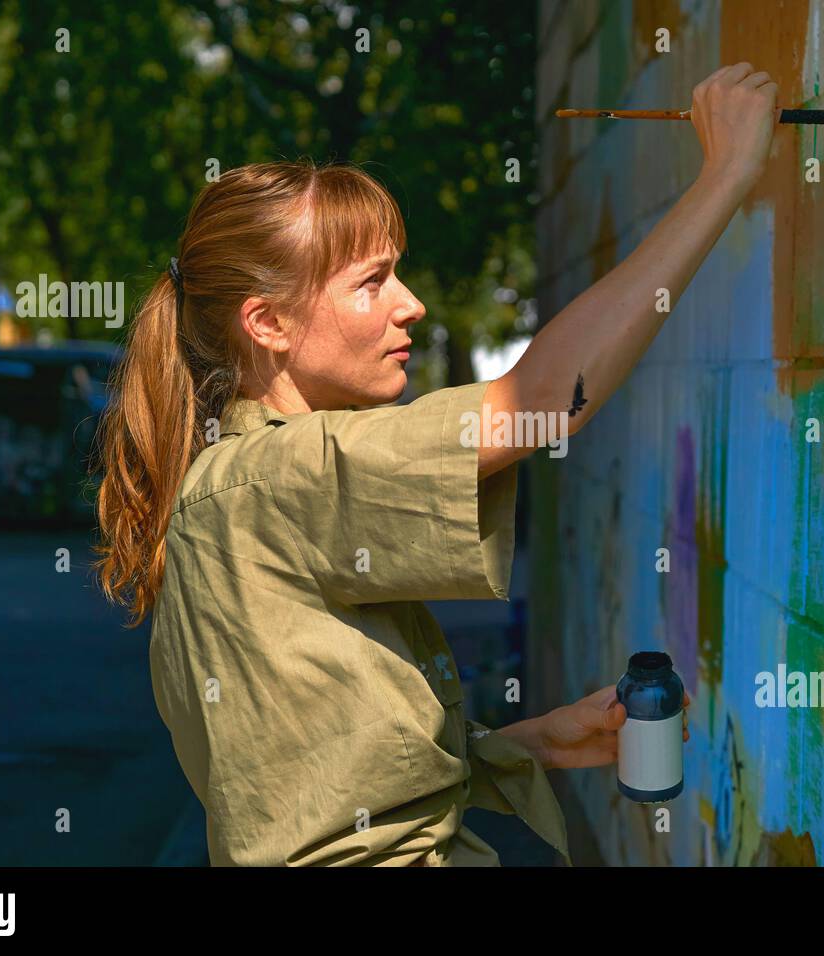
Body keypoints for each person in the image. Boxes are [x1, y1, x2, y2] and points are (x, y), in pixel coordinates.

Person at [93, 62, 776, 866]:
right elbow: (545, 398)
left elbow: (318, 770)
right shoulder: (278, 477)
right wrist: (726, 174)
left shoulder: (233, 486)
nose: (409, 303)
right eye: (371, 282)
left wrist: (534, 744)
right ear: (268, 322)